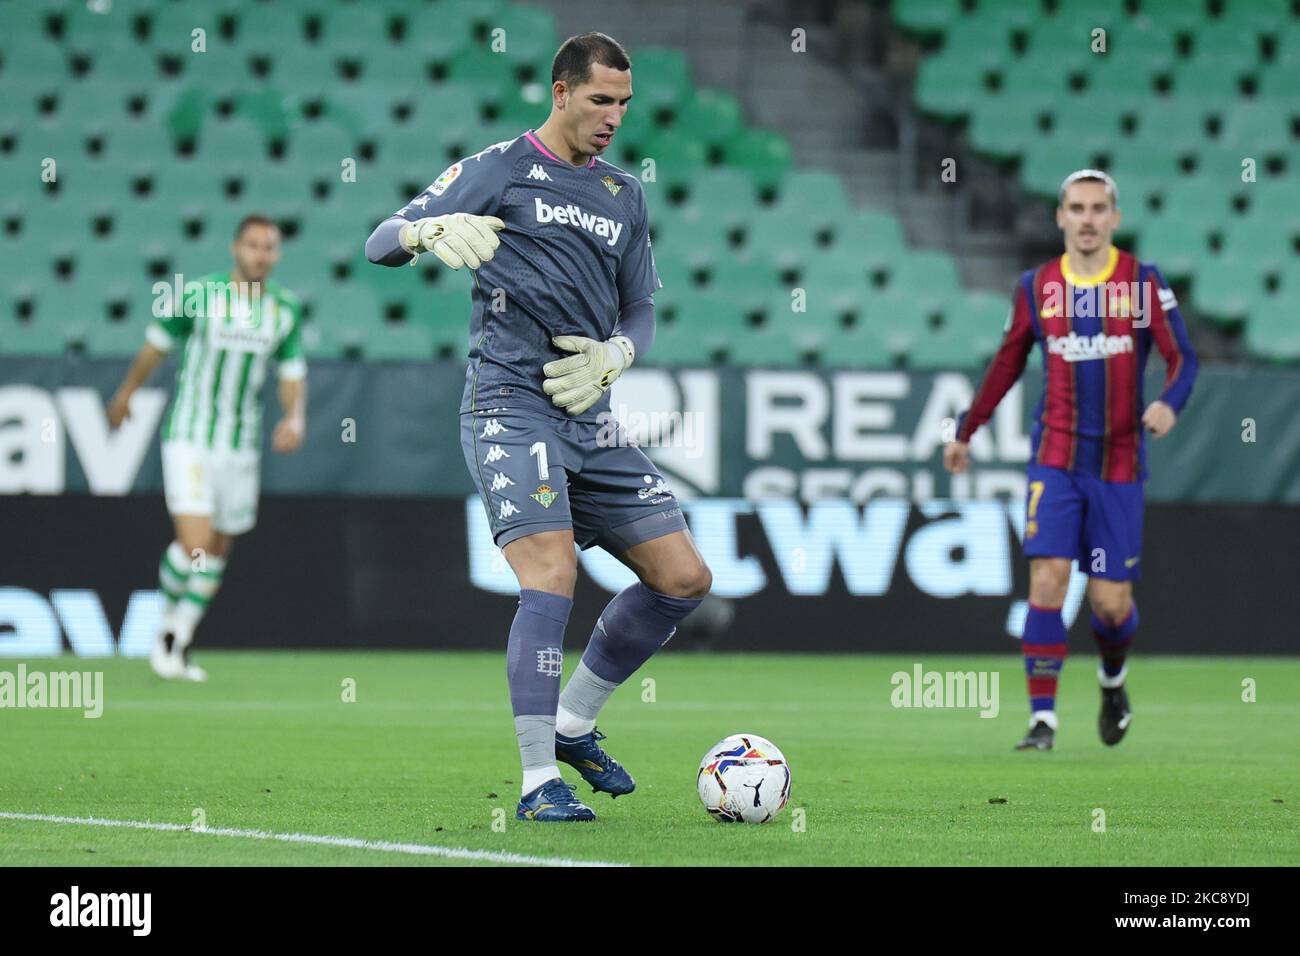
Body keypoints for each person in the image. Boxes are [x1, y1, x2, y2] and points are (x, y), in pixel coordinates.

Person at [366, 33, 712, 821]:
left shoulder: (625, 194)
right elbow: (380, 239)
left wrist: (620, 352)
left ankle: (572, 725)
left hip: (590, 415)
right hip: (509, 403)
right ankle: (535, 784)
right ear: (560, 93)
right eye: (600, 100)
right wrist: (422, 233)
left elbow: (643, 307)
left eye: (624, 103)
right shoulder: (500, 167)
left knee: (684, 579)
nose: (614, 117)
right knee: (552, 574)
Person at [944, 170, 1198, 751]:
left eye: (1098, 209)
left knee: (1110, 604)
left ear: (1115, 217)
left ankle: (1112, 679)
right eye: (1076, 208)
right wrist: (967, 430)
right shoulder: (1037, 287)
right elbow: (1006, 363)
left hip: (1119, 465)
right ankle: (1042, 721)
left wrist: (1169, 402)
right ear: (1060, 217)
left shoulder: (1140, 284)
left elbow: (1184, 357)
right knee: (1048, 577)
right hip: (1054, 458)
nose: (1087, 219)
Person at [109, 215, 307, 681]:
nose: (261, 254)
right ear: (236, 247)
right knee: (196, 544)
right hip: (191, 435)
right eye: (253, 245)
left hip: (240, 445)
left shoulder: (284, 309)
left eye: (269, 247)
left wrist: (294, 418)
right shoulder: (199, 294)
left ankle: (176, 639)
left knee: (216, 550)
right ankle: (164, 631)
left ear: (277, 254)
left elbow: (292, 372)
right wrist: (126, 393)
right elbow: (156, 345)